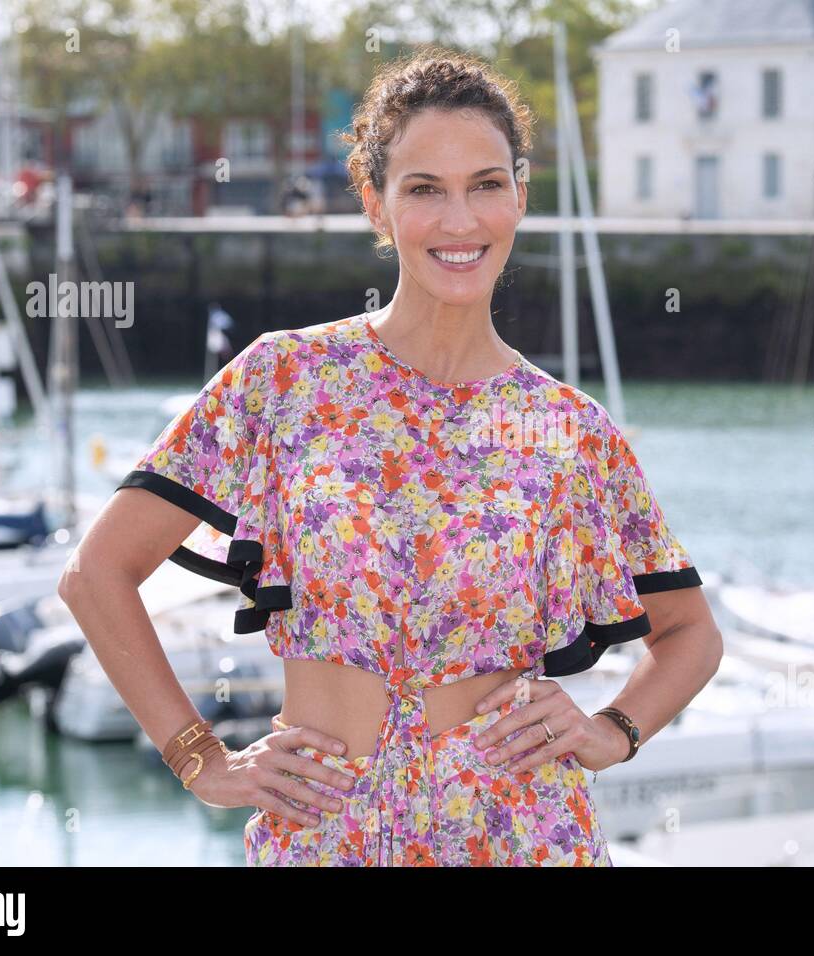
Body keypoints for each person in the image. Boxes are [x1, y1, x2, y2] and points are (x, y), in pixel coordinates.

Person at [59, 46, 722, 867]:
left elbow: (690, 632)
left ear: (520, 195)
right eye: (424, 189)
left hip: (521, 833)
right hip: (326, 832)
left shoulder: (569, 429)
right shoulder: (285, 379)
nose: (459, 220)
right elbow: (96, 573)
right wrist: (198, 756)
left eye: (485, 184)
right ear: (376, 204)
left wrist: (610, 732)